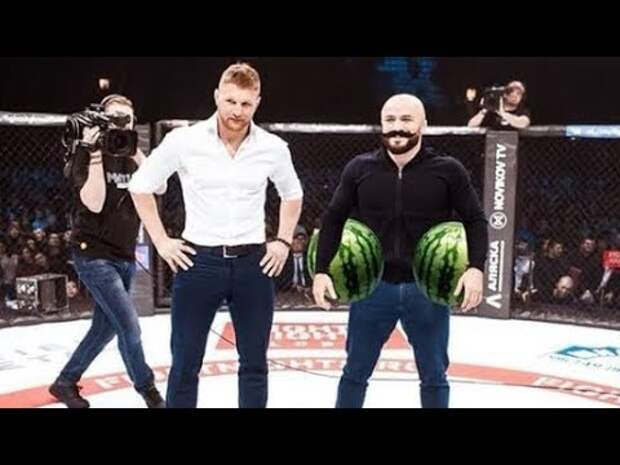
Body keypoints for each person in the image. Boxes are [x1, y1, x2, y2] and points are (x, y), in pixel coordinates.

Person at [129, 63, 304, 408]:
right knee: (185, 363)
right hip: (199, 263)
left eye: (246, 103)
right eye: (230, 101)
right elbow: (140, 186)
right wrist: (161, 241)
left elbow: (292, 194)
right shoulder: (184, 140)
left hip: (253, 264)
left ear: (257, 103)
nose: (237, 111)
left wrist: (284, 241)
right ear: (216, 97)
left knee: (254, 363)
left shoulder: (273, 147)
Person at [312, 94, 489, 408]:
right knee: (354, 372)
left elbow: (475, 219)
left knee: (434, 375)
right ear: (381, 123)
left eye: (406, 120)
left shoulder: (448, 170)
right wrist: (322, 270)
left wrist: (476, 267)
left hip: (426, 291)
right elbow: (333, 218)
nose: (397, 127)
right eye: (390, 119)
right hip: (373, 288)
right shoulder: (359, 168)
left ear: (423, 124)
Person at [49, 94, 166, 409]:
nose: (121, 124)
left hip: (124, 255)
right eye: (114, 118)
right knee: (129, 326)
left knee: (104, 328)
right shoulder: (85, 153)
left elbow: (160, 187)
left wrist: (134, 149)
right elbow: (96, 203)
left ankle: (65, 382)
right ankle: (149, 391)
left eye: (126, 119)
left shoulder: (132, 154)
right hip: (94, 255)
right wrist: (96, 153)